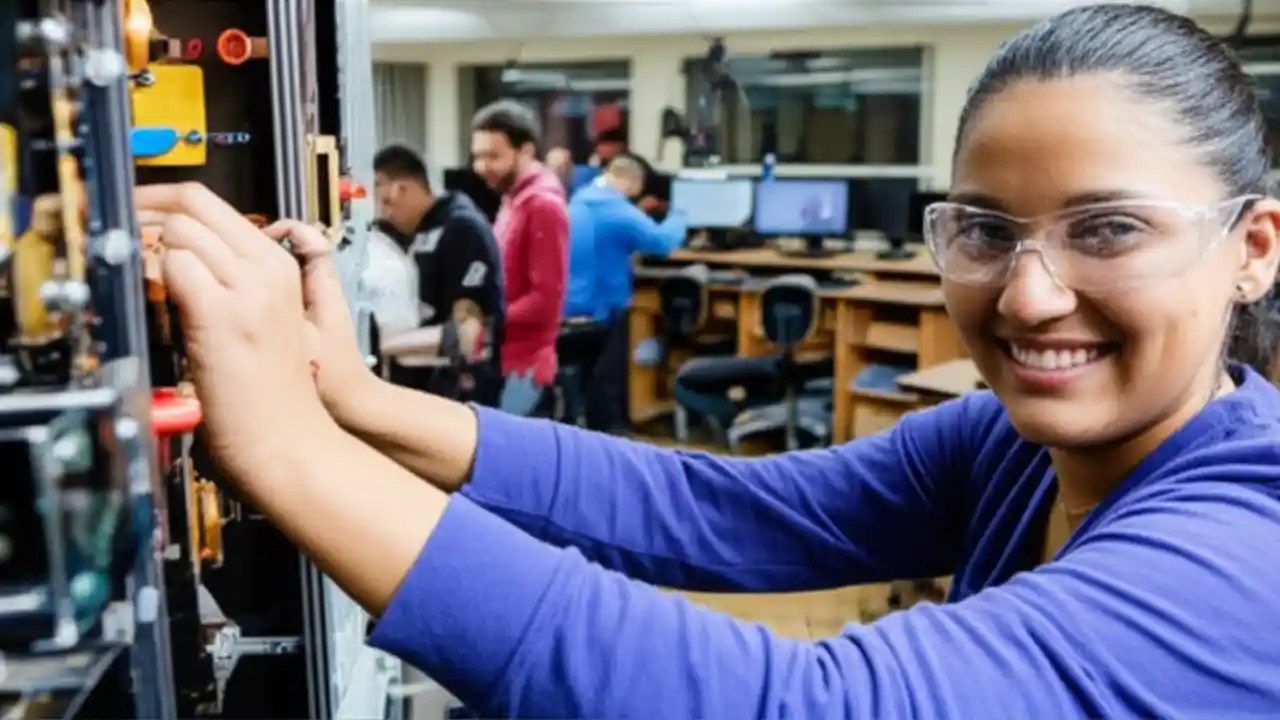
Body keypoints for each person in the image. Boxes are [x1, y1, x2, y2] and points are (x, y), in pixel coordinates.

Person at [139, 4, 1280, 717]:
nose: (1027, 295)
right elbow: (715, 509)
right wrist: (356, 402)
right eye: (981, 230)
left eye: (1109, 228)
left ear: (1251, 249)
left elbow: (799, 704)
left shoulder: (1241, 557)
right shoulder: (1012, 444)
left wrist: (295, 456)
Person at [367, 145, 504, 405]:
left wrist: (384, 345)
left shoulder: (461, 228)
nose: (386, 213)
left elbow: (470, 332)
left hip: (463, 392)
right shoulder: (422, 228)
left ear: (401, 190)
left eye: (386, 203)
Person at [563, 153, 687, 431]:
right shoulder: (617, 210)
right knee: (610, 377)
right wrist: (681, 212)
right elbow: (663, 242)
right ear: (633, 184)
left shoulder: (580, 200)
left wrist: (638, 214)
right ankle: (613, 430)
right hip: (601, 311)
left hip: (570, 308)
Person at [470, 99, 568, 416]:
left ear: (525, 151)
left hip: (524, 366)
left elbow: (546, 301)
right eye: (478, 156)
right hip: (504, 356)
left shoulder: (542, 205)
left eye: (493, 156)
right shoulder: (513, 198)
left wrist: (487, 322)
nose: (482, 167)